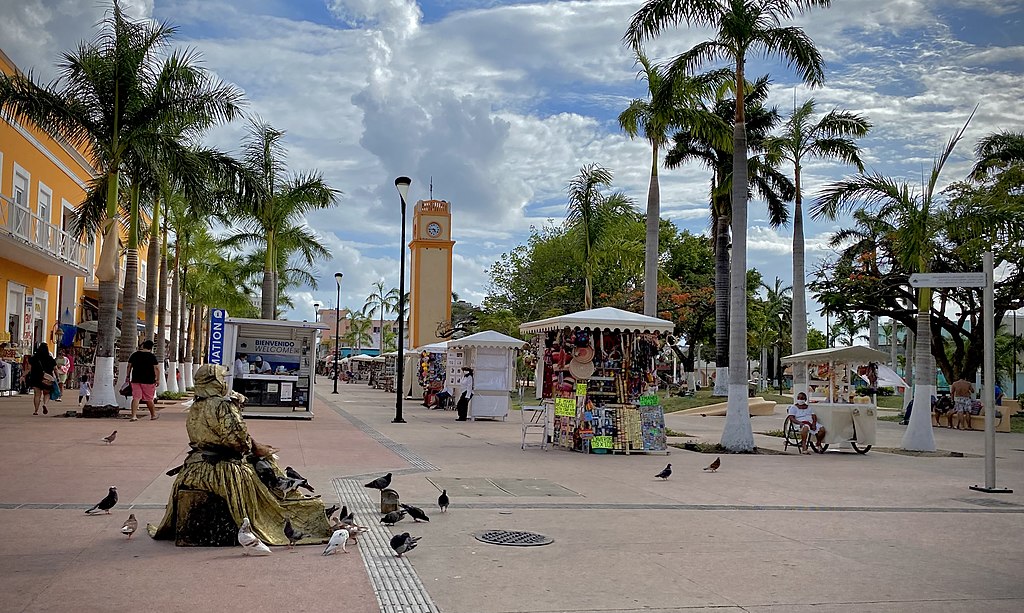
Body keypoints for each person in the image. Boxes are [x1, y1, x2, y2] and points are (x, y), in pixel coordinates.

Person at [148, 364, 332, 546]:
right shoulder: (222, 405)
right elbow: (239, 441)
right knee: (269, 486)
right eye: (221, 378)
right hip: (224, 470)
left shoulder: (196, 404)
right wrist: (236, 411)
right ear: (215, 382)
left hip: (195, 468)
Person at [126, 340, 160, 421]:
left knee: (136, 397)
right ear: (151, 347)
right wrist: (158, 379)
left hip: (136, 379)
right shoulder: (152, 356)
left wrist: (127, 376)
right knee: (149, 399)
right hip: (149, 380)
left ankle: (134, 416)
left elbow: (129, 366)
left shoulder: (134, 355)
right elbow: (157, 368)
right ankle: (153, 415)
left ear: (143, 346)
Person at [21, 343, 57, 415]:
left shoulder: (33, 358)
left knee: (37, 394)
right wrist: (57, 377)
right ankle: (45, 404)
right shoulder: (50, 359)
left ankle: (36, 410)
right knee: (47, 393)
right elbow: (55, 369)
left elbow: (29, 369)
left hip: (35, 378)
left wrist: (23, 375)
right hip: (47, 378)